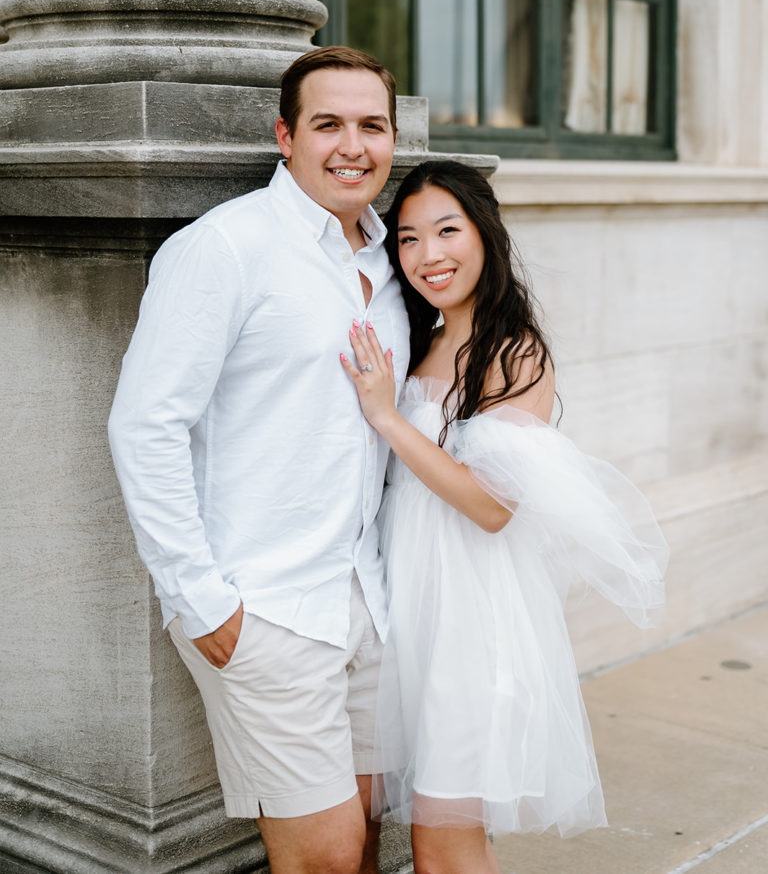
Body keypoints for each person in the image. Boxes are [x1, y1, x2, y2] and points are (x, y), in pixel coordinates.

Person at [108, 46, 411, 874]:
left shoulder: (393, 263)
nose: (353, 145)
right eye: (329, 125)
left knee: (370, 832)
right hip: (269, 607)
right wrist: (200, 600)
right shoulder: (226, 248)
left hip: (370, 601)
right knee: (324, 856)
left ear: (393, 138)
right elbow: (145, 427)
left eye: (372, 126)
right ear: (286, 136)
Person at [340, 160, 668, 874]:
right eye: (408, 238)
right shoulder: (420, 343)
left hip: (471, 625)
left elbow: (491, 507)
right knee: (418, 833)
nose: (430, 255)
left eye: (448, 231)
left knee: (442, 844)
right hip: (411, 618)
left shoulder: (514, 351)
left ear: (486, 235)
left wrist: (388, 420)